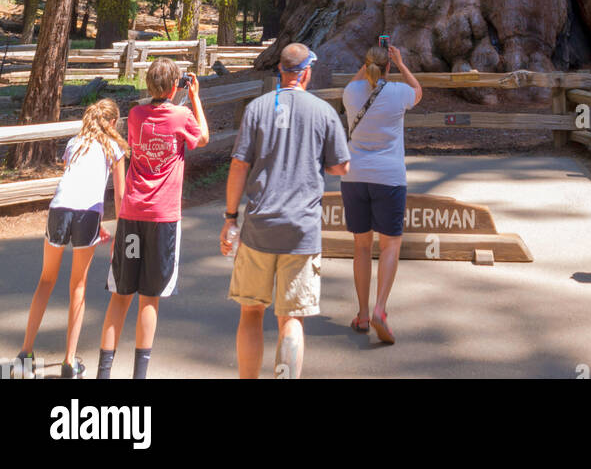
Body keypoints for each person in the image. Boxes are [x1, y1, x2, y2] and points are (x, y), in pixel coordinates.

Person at [220, 42, 350, 380]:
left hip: (258, 227)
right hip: (301, 232)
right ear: (306, 72)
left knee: (250, 312)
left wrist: (230, 219)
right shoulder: (323, 112)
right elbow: (341, 168)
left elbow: (238, 165)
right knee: (292, 319)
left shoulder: (258, 108)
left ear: (281, 70)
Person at [97, 59, 209, 379]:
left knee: (121, 295)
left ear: (147, 85)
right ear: (175, 86)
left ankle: (103, 373)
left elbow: (141, 138)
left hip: (132, 215)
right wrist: (196, 97)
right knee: (150, 296)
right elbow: (201, 139)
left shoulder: (134, 115)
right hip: (162, 217)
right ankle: (139, 375)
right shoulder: (182, 116)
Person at [14, 99, 128, 379]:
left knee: (46, 280)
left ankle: (25, 355)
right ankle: (68, 363)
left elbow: (75, 179)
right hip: (87, 214)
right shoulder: (114, 147)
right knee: (78, 286)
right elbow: (120, 195)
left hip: (60, 208)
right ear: (112, 123)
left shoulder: (73, 143)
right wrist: (119, 231)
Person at [341, 43, 422, 342]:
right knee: (389, 246)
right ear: (388, 66)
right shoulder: (399, 93)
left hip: (355, 178)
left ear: (365, 65)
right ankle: (380, 309)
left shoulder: (351, 94)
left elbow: (351, 84)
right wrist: (401, 63)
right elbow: (419, 91)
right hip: (389, 178)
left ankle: (362, 314)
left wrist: (367, 63)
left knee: (361, 246)